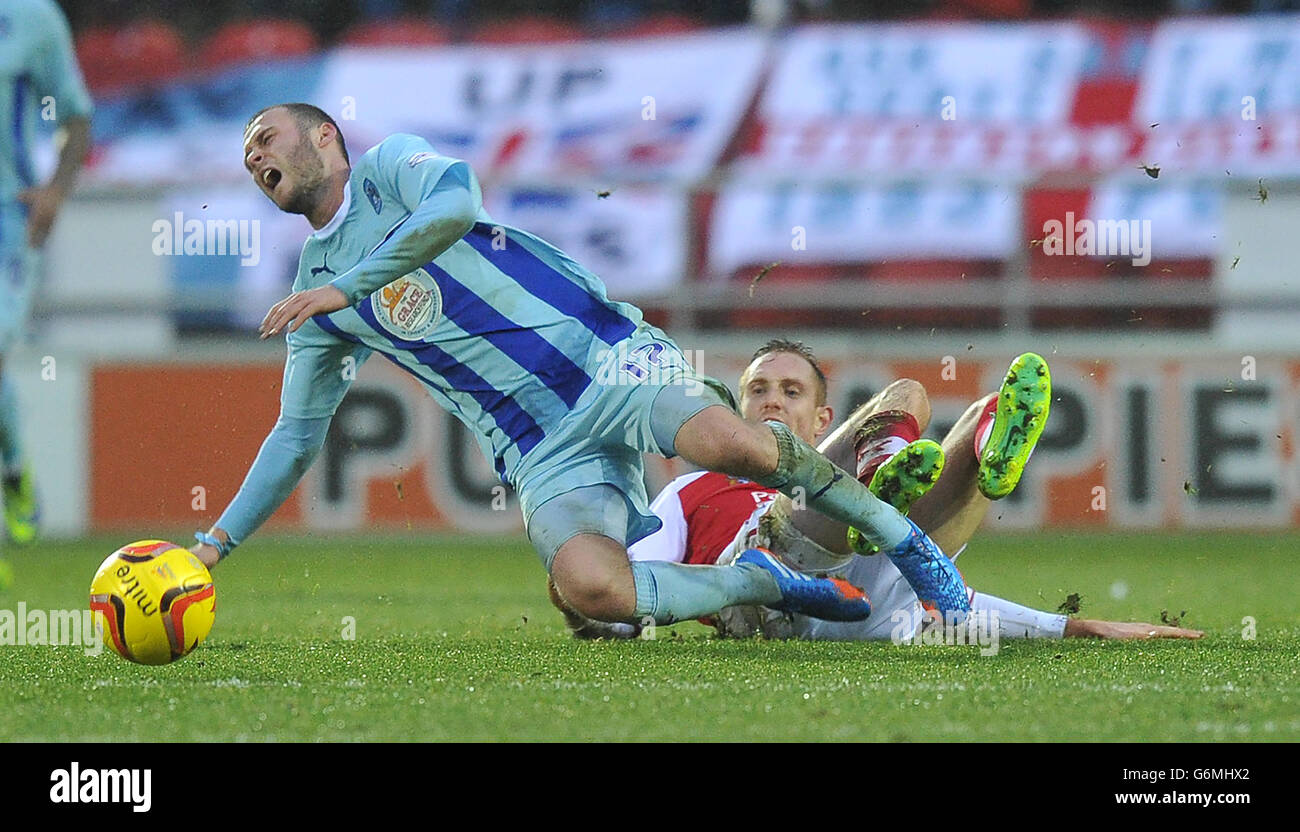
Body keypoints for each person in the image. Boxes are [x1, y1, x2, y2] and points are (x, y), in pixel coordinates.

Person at [188, 103, 973, 631]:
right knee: (594, 594)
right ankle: (761, 582)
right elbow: (295, 436)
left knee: (730, 446)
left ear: (325, 138)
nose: (254, 154)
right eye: (247, 152)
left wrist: (347, 287)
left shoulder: (391, 168)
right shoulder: (311, 300)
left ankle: (907, 541)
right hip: (537, 448)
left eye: (265, 135)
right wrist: (212, 546)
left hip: (606, 357)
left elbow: (456, 208)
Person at [551, 342, 1204, 642]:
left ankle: (922, 476)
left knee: (976, 414)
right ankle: (881, 485)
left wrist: (1079, 629)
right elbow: (625, 589)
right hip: (761, 588)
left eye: (791, 390)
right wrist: (583, 601)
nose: (772, 398)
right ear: (737, 409)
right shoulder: (695, 487)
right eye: (758, 389)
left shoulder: (724, 478)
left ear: (821, 422)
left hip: (851, 608)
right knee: (906, 401)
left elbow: (954, 609)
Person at [0, 0, 94, 550]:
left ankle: (13, 470)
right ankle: (14, 469)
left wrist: (56, 191)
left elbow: (76, 118)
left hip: (7, 218)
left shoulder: (33, 18)